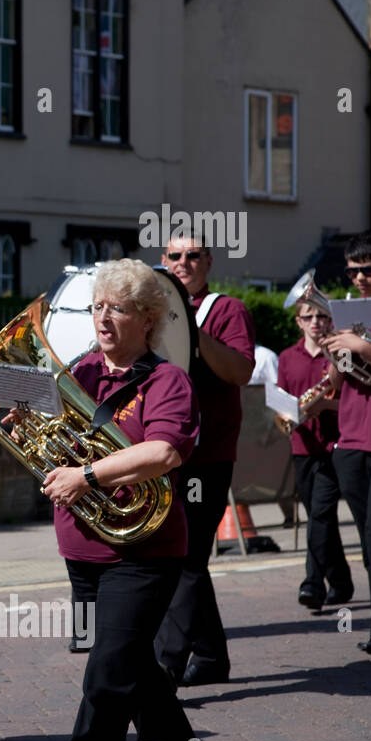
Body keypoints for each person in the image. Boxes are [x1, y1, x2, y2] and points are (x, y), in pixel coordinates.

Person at [24, 259, 209, 741]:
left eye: (118, 309)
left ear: (148, 319)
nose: (102, 318)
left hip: (143, 554)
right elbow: (47, 450)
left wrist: (86, 473)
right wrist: (26, 423)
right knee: (138, 676)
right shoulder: (77, 373)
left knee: (106, 683)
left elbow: (166, 450)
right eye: (97, 307)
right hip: (82, 552)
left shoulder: (169, 380)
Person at [154, 236, 253, 687]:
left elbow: (239, 372)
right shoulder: (151, 310)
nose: (183, 262)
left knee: (185, 557)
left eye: (193, 255)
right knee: (185, 557)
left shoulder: (225, 309)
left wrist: (192, 332)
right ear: (163, 262)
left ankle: (165, 664)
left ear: (208, 262)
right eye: (174, 256)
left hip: (208, 454)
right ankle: (211, 657)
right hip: (163, 452)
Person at [320, 231, 371, 659]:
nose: (361, 278)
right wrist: (336, 354)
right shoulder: (346, 314)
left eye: (369, 269)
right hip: (351, 439)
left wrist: (362, 344)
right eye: (353, 271)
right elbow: (340, 379)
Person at [276, 301, 352, 610]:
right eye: (309, 317)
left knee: (319, 515)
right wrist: (286, 417)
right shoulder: (286, 358)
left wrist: (323, 407)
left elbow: (353, 400)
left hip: (334, 446)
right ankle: (342, 580)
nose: (316, 322)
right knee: (320, 519)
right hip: (302, 447)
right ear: (298, 322)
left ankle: (312, 584)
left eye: (322, 316)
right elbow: (281, 402)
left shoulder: (341, 355)